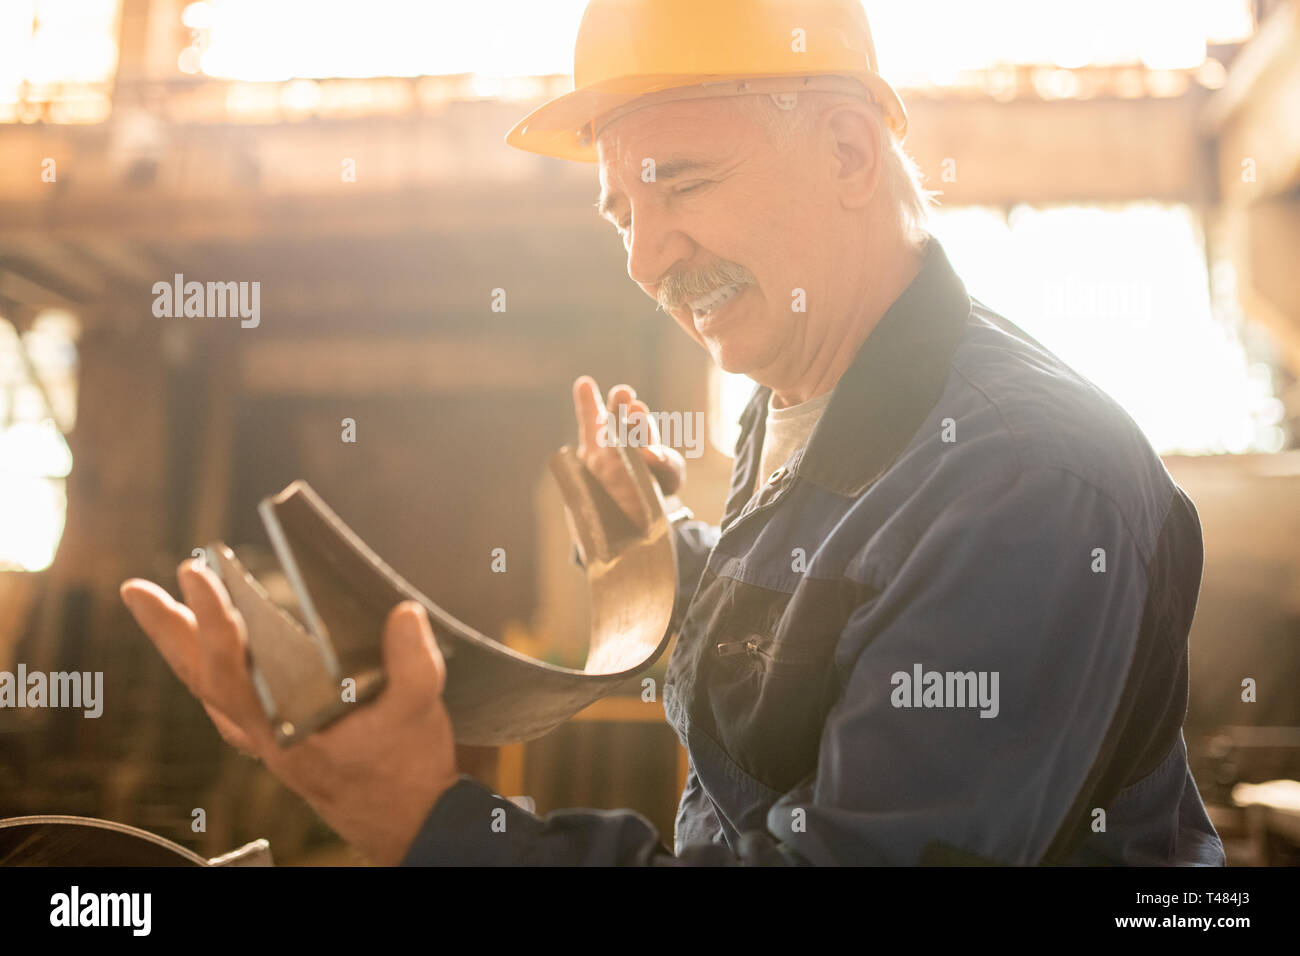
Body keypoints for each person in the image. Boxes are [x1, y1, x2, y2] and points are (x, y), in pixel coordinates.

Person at [121, 0, 1224, 865]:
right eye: (621, 214)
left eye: (681, 184)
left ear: (848, 153)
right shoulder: (803, 396)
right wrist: (662, 553)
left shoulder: (1025, 481)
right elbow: (817, 644)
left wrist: (426, 822)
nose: (647, 259)